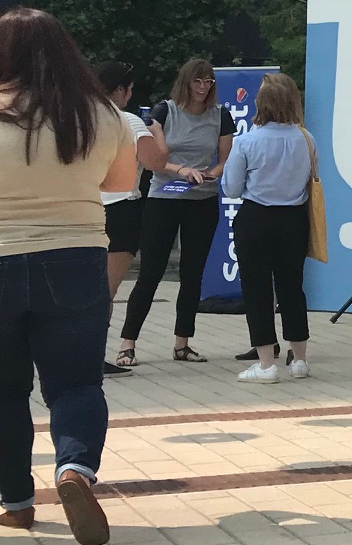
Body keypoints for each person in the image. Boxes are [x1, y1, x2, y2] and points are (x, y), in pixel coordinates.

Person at [1, 8, 138, 545]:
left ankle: (15, 502)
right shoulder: (101, 113)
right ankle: (74, 471)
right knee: (77, 383)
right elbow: (120, 181)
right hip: (76, 257)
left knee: (5, 392)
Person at [114, 58, 232, 367]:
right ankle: (128, 342)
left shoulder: (221, 115)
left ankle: (183, 343)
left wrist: (210, 173)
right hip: (164, 196)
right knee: (151, 271)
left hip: (202, 198)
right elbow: (153, 159)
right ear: (186, 82)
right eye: (197, 82)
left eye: (208, 83)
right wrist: (181, 170)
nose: (203, 89)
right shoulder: (164, 111)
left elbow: (224, 160)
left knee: (192, 274)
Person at [220, 74, 315, 384]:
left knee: (257, 289)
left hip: (256, 218)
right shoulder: (306, 138)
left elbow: (232, 187)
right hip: (294, 219)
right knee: (292, 287)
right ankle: (299, 358)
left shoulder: (247, 141)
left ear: (260, 104)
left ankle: (265, 364)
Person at [93, 62, 151, 376]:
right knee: (107, 290)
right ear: (120, 90)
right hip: (122, 207)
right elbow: (154, 159)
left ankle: (84, 352)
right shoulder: (126, 119)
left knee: (90, 285)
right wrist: (156, 133)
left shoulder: (81, 115)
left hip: (91, 205)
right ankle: (93, 354)